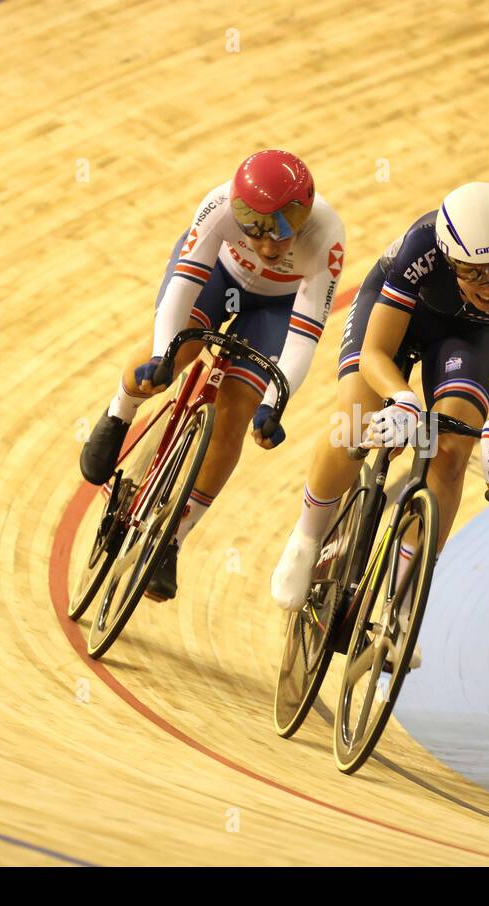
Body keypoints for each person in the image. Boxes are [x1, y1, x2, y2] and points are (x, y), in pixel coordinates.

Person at [269, 182, 489, 668]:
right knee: (354, 425)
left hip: (466, 338)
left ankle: (402, 607)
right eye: (473, 272)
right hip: (392, 320)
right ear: (449, 258)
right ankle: (305, 538)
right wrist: (402, 398)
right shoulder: (422, 245)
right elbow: (377, 353)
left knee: (451, 453)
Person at [79, 150, 345, 601]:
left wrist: (272, 404)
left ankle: (171, 543)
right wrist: (165, 354)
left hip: (275, 308)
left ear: (301, 217)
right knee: (179, 351)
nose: (266, 246)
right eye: (255, 231)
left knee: (236, 411)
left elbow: (304, 337)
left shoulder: (326, 238)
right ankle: (118, 413)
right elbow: (183, 283)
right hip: (218, 276)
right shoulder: (220, 204)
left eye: (280, 234)